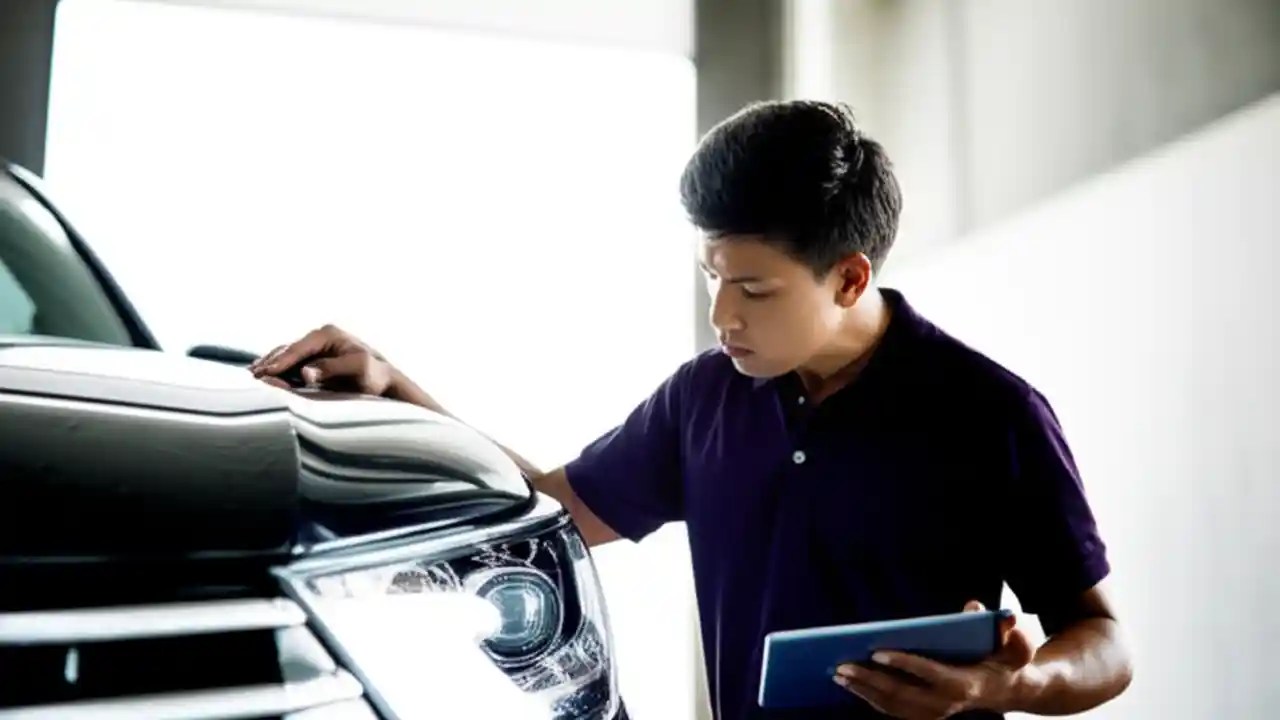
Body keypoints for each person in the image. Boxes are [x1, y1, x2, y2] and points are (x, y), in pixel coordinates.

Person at [250, 99, 1133, 720]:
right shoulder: (703, 396)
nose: (723, 317)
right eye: (714, 279)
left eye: (753, 288)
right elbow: (552, 510)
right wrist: (394, 390)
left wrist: (1002, 688)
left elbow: (1102, 644)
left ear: (851, 275)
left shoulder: (992, 414)